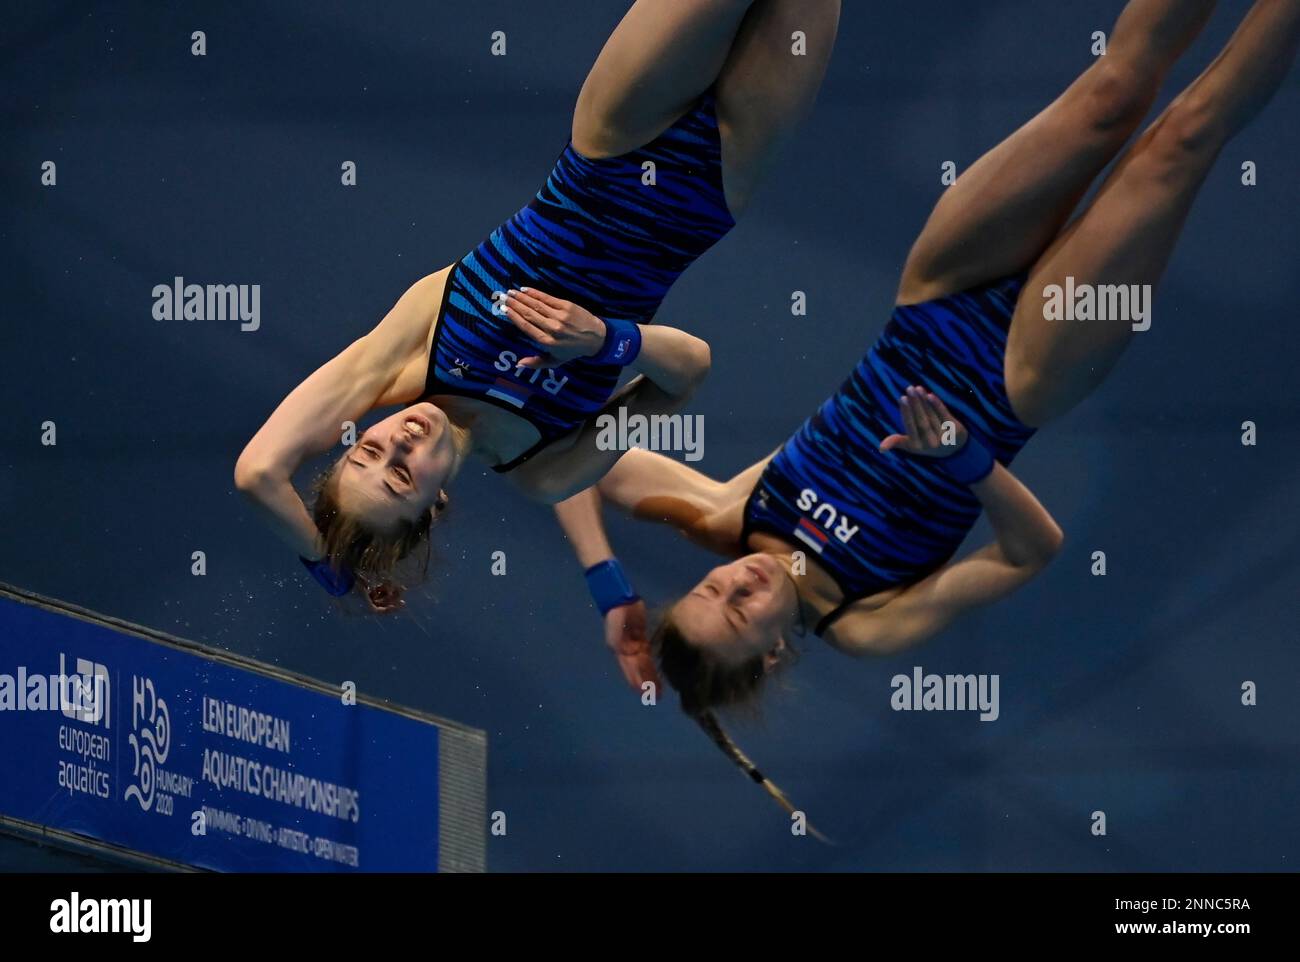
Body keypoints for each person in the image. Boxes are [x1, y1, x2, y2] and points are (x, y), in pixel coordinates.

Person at [554, 0, 1300, 822]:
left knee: (1112, 92)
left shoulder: (725, 516)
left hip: (935, 297)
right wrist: (964, 460)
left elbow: (565, 464)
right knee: (1183, 137)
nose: (739, 580)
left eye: (711, 587)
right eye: (740, 610)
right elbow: (1029, 552)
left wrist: (610, 586)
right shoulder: (865, 623)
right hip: (1021, 378)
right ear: (770, 656)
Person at [234, 1, 840, 608]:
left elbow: (257, 473)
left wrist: (331, 568)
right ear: (435, 504)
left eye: (367, 449)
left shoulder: (403, 358)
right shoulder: (547, 466)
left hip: (615, 139)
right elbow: (688, 371)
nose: (397, 443)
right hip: (714, 191)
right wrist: (607, 340)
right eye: (399, 476)